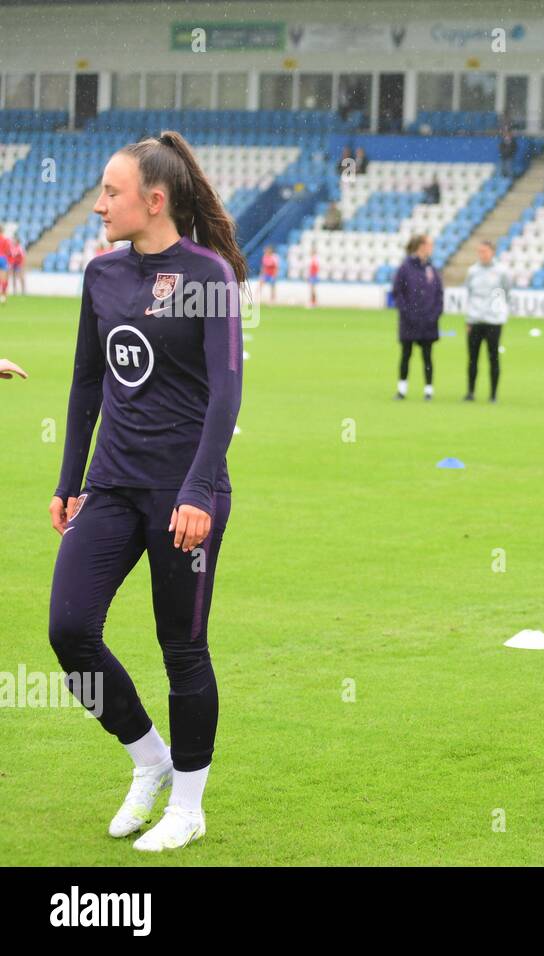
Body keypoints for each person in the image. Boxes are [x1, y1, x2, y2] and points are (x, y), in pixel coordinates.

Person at [48, 130, 245, 852]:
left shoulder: (208, 275)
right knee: (69, 631)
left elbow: (227, 394)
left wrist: (197, 489)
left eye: (112, 192)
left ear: (154, 201)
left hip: (184, 494)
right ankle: (149, 760)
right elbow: (85, 383)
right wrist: (70, 482)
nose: (99, 204)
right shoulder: (100, 274)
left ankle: (188, 803)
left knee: (182, 647)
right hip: (110, 487)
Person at [392, 234, 442, 401]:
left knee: (427, 356)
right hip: (409, 321)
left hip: (428, 321)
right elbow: (398, 293)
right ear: (421, 246)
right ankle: (402, 389)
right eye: (429, 244)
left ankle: (428, 389)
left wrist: (434, 314)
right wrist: (407, 313)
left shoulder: (431, 268)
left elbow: (438, 295)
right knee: (406, 354)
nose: (431, 247)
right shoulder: (405, 268)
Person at [463, 240, 511, 403]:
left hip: (493, 321)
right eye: (480, 251)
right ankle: (470, 392)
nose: (482, 254)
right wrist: (468, 319)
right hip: (475, 320)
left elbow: (506, 292)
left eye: (485, 251)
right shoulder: (472, 271)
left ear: (492, 252)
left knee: (493, 358)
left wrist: (499, 312)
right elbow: (469, 293)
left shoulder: (502, 271)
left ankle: (493, 394)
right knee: (472, 358)